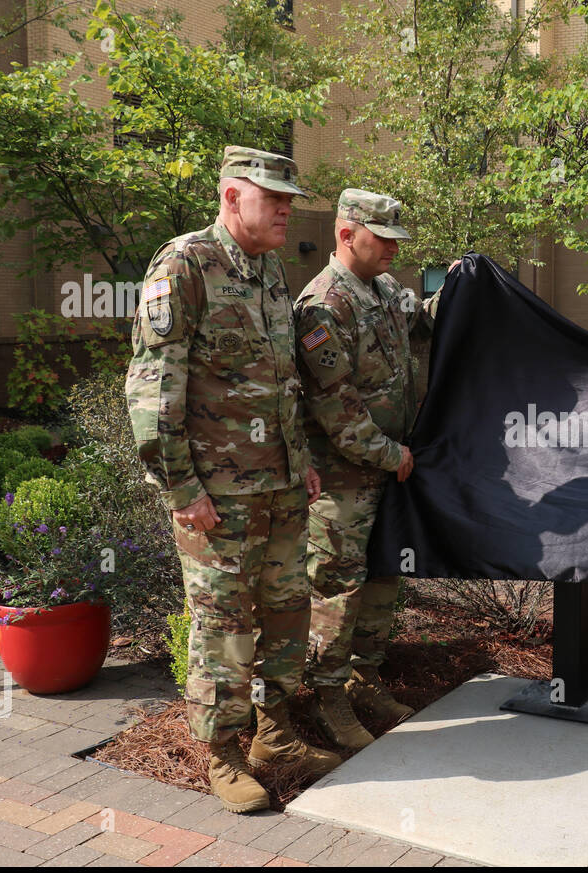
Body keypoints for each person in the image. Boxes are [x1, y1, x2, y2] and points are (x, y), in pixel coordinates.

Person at [125, 145, 341, 813]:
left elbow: (281, 382)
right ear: (229, 198)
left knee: (284, 615)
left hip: (277, 489)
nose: (285, 209)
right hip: (216, 497)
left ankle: (274, 736)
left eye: (289, 200)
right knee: (224, 629)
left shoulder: (271, 271)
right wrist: (183, 491)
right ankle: (220, 755)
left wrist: (299, 457)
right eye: (272, 197)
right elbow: (153, 391)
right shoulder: (184, 264)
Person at [293, 188, 450, 748]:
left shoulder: (384, 290)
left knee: (383, 575)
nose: (393, 250)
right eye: (382, 239)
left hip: (389, 469)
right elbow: (337, 412)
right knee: (336, 588)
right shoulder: (322, 307)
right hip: (343, 478)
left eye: (396, 240)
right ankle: (328, 697)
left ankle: (365, 677)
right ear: (345, 233)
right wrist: (393, 454)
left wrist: (458, 286)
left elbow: (422, 324)